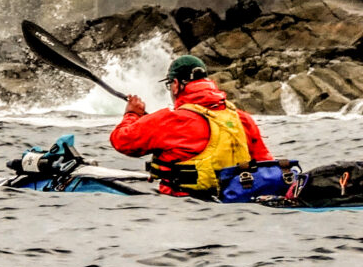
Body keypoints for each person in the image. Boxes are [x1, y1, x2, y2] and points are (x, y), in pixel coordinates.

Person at [108, 54, 273, 198]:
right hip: (236, 200)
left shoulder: (169, 120)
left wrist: (132, 115)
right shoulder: (242, 118)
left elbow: (122, 141)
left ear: (175, 85)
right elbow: (266, 165)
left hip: (182, 205)